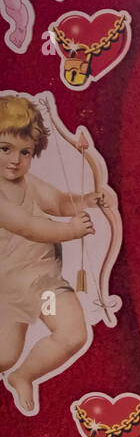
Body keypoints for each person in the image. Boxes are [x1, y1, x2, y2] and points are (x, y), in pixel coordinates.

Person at [0, 94, 107, 415]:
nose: (15, 160)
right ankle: (14, 369)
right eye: (4, 148)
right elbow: (30, 227)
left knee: (73, 333)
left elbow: (61, 203)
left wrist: (88, 199)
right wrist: (71, 231)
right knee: (5, 354)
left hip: (43, 283)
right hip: (7, 289)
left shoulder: (28, 182)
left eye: (25, 152)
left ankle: (24, 376)